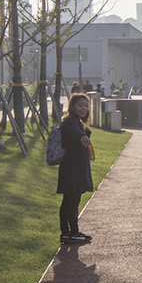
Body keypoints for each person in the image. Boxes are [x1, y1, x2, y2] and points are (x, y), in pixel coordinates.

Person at [57, 93, 96, 244]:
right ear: (72, 106)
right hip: (72, 170)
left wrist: (84, 133)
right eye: (80, 105)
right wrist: (82, 135)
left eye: (86, 106)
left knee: (68, 201)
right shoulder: (70, 122)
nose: (84, 109)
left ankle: (67, 233)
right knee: (72, 201)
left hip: (73, 169)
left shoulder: (75, 122)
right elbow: (73, 131)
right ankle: (73, 231)